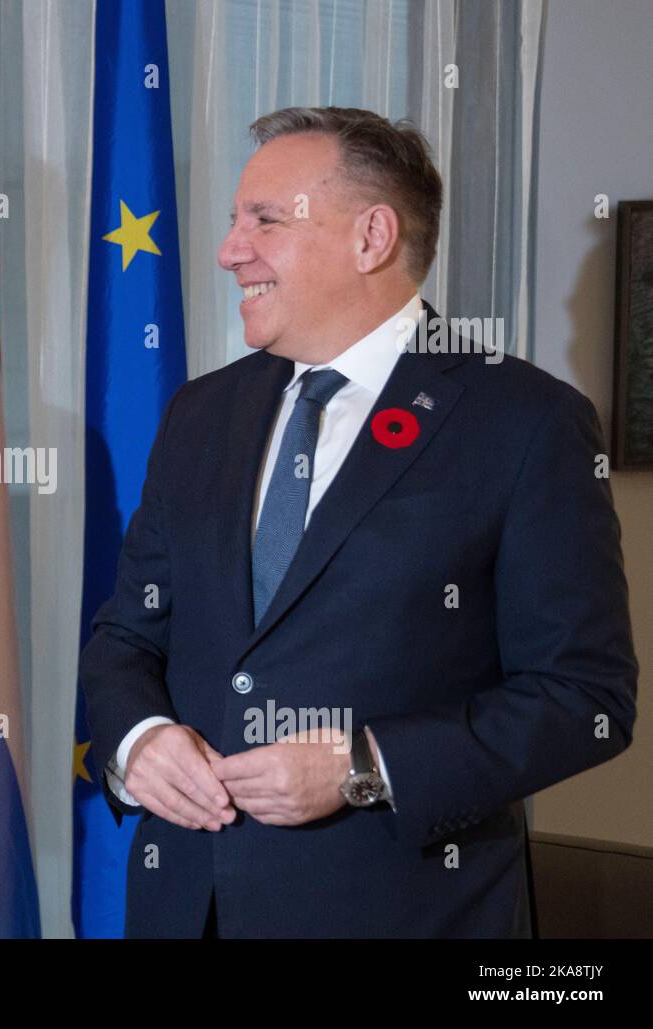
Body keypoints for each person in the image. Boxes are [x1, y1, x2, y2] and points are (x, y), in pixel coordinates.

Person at [79, 106, 637, 938]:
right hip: (187, 904)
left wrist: (363, 766)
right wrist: (139, 739)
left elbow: (584, 698)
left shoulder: (526, 421)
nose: (230, 249)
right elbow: (127, 635)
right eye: (235, 221)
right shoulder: (200, 413)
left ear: (371, 236)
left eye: (263, 220)